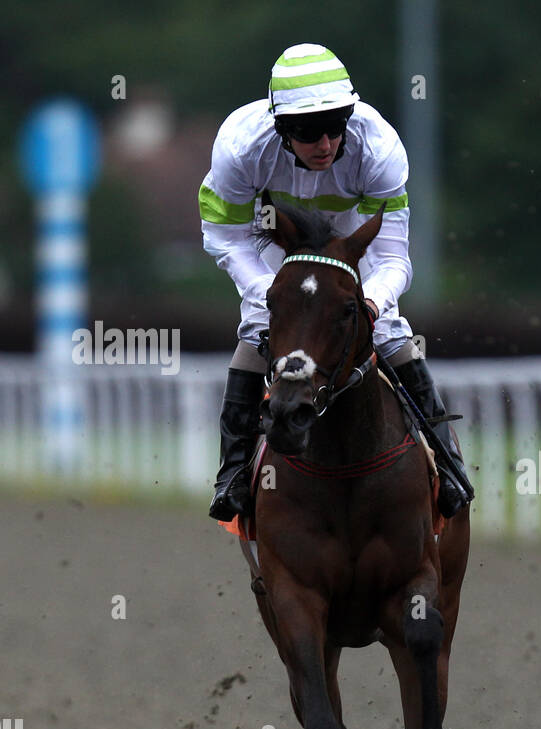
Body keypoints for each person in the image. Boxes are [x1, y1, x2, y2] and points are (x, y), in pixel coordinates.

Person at [199, 42, 471, 521]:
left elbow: (391, 259)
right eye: (308, 132)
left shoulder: (378, 149)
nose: (325, 144)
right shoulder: (241, 149)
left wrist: (370, 305)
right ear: (281, 130)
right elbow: (224, 237)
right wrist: (270, 294)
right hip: (274, 243)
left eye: (335, 126)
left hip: (351, 245)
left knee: (388, 332)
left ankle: (447, 463)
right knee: (258, 327)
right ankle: (233, 474)